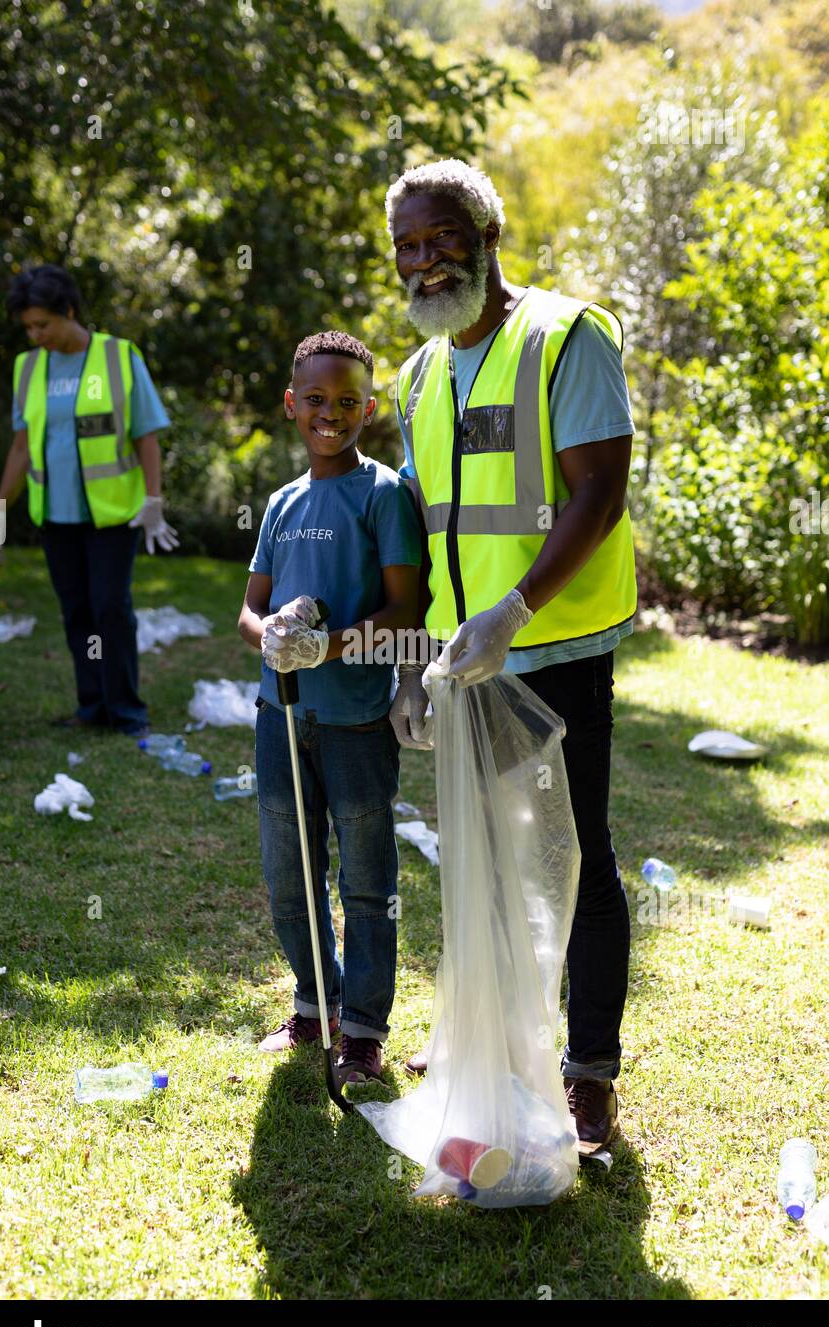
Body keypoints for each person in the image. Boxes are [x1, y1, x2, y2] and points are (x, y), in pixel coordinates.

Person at [386, 159, 637, 1160]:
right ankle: (483, 1046)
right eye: (406, 244)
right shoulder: (416, 376)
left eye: (440, 234)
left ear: (487, 234)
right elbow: (416, 529)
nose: (422, 259)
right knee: (484, 857)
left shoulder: (564, 337)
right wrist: (412, 662)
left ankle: (586, 1076)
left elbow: (597, 493)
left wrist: (514, 607)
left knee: (573, 855)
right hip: (461, 659)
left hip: (551, 644)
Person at [237, 331, 421, 1090]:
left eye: (348, 402)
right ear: (291, 404)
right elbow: (248, 613)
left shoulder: (383, 495)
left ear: (368, 409)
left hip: (357, 723)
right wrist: (273, 635)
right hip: (281, 719)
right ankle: (315, 1005)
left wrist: (331, 647)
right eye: (315, 400)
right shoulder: (281, 504)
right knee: (290, 875)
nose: (330, 413)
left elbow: (407, 609)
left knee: (367, 882)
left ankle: (364, 1034)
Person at [0, 265, 178, 735]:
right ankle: (91, 706)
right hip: (56, 516)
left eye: (43, 325)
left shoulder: (118, 357)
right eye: (28, 327)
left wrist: (153, 500)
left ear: (68, 311)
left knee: (110, 608)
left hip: (112, 515)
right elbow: (20, 446)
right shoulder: (28, 367)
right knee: (76, 612)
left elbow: (147, 435)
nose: (36, 335)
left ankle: (127, 711)